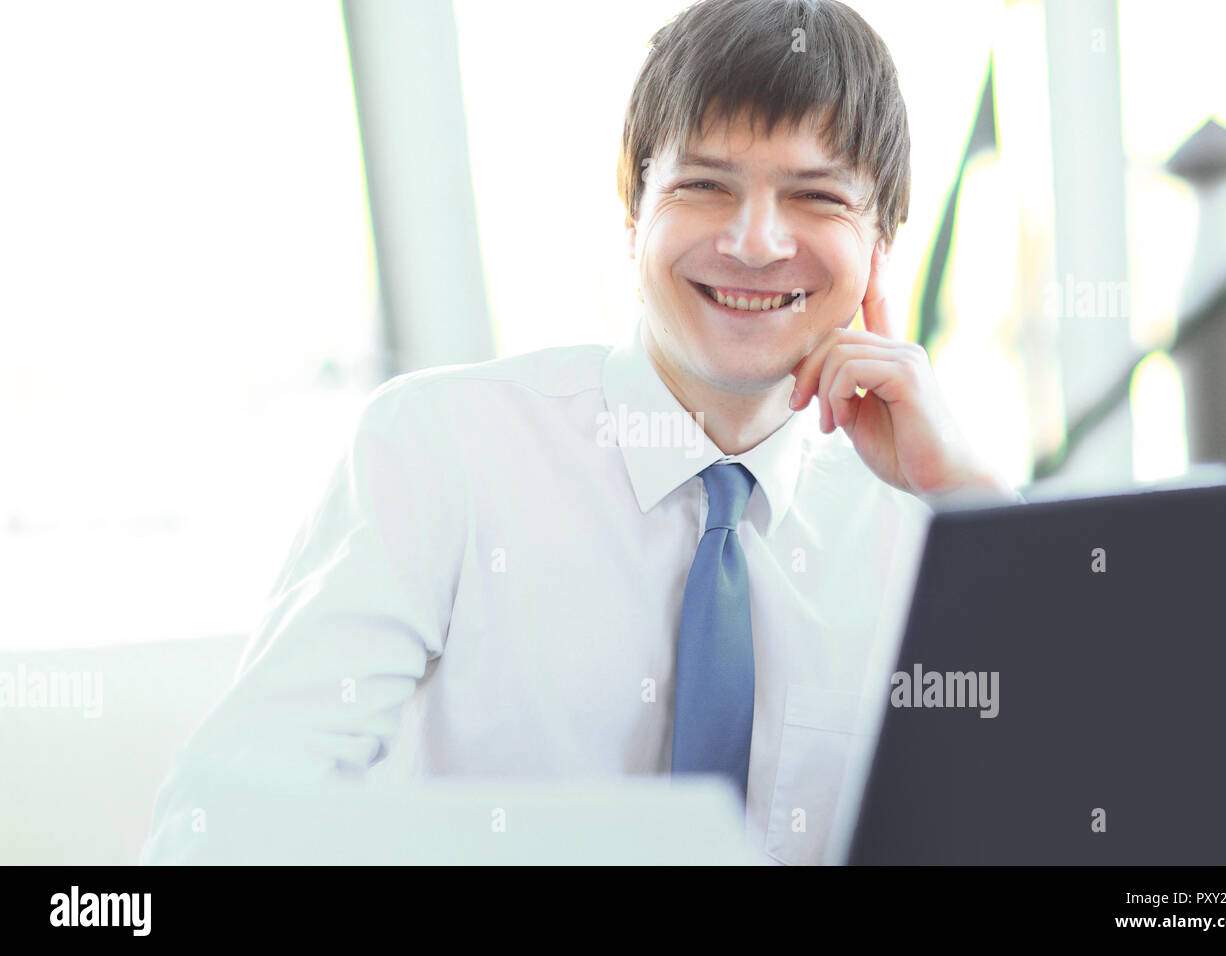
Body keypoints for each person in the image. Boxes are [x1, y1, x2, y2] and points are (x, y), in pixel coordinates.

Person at [143, 0, 1018, 866]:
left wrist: (980, 519)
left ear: (882, 245)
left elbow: (1088, 817)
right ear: (634, 215)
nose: (754, 242)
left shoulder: (924, 517)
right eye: (704, 186)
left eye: (815, 196)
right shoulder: (439, 450)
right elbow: (214, 832)